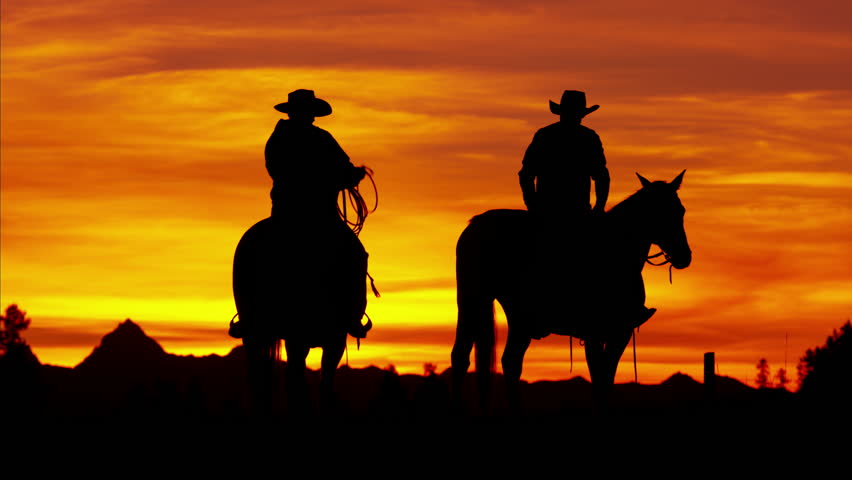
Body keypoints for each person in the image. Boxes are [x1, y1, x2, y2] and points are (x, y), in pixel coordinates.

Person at [518, 90, 654, 338]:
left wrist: (533, 205)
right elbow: (601, 176)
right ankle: (625, 307)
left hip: (550, 210)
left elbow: (526, 174)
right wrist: (599, 208)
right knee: (610, 257)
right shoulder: (588, 138)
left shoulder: (546, 136)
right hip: (574, 212)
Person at [264, 89, 370, 338]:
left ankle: (250, 317)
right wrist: (344, 177)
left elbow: (342, 168)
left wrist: (350, 175)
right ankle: (353, 317)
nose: (309, 117)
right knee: (355, 254)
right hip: (313, 214)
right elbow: (280, 169)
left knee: (356, 253)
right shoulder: (311, 139)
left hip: (288, 212)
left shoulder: (294, 138)